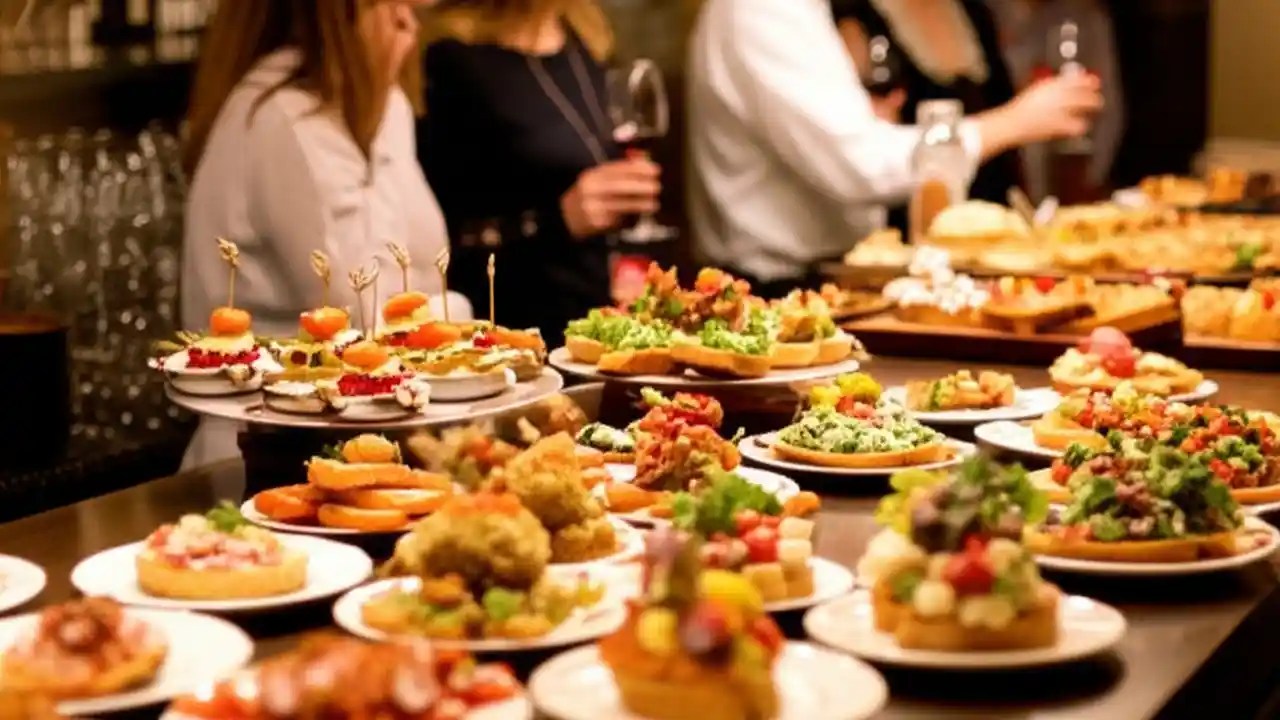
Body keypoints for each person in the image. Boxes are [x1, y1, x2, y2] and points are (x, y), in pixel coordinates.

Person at [181, 0, 461, 468]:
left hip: (371, 436)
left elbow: (413, 286)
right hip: (269, 450)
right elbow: (362, 313)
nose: (407, 19)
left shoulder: (376, 102)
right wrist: (457, 318)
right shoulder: (284, 114)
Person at [688, 0, 1102, 297]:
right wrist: (1014, 121)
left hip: (832, 282)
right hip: (771, 289)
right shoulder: (761, 10)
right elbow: (863, 166)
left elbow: (845, 141)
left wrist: (870, 123)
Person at [417, 0, 662, 346]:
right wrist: (560, 221)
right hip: (523, 341)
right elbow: (446, 252)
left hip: (602, 327)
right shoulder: (450, 60)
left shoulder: (587, 40)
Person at [831, 0, 1024, 212]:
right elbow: (856, 151)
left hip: (994, 219)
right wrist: (1018, 119)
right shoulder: (851, 15)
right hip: (911, 227)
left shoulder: (974, 11)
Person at [988, 0, 1124, 202]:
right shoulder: (983, 13)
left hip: (1071, 176)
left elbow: (1109, 110)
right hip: (1004, 190)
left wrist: (1092, 178)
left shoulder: (1084, 18)